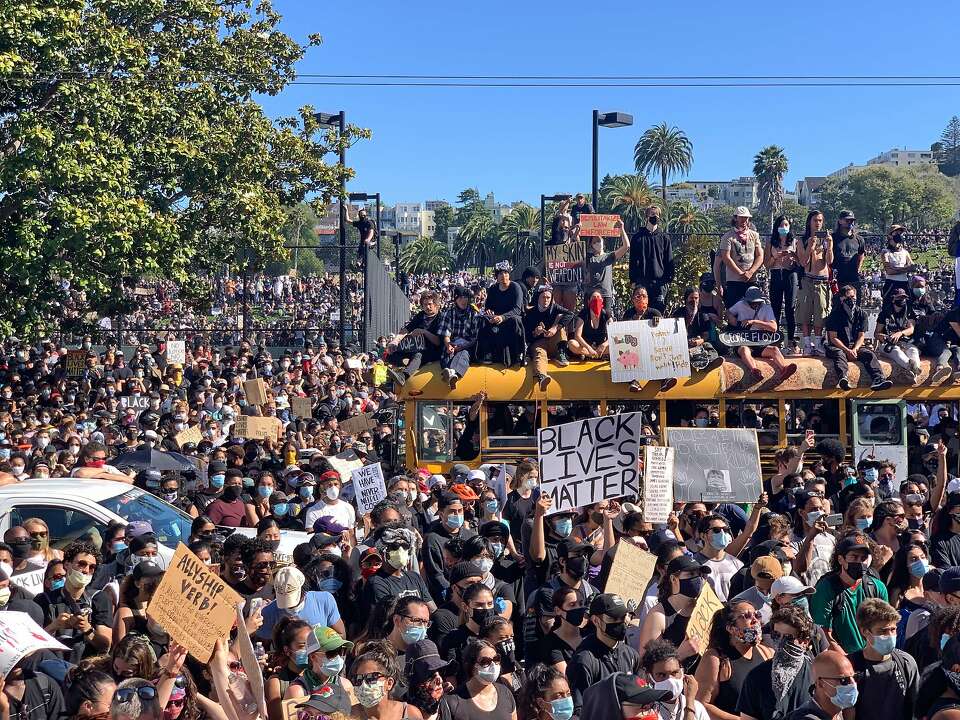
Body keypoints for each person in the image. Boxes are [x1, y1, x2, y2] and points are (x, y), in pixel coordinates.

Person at [809, 533, 889, 653]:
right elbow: (823, 633)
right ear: (840, 559)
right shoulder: (826, 588)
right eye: (854, 557)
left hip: (873, 654)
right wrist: (846, 660)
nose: (860, 562)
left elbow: (886, 626)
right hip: (840, 657)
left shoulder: (877, 587)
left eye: (863, 558)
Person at [693, 600, 772, 720]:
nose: (755, 620)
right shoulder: (715, 659)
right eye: (747, 616)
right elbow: (700, 704)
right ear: (731, 628)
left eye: (757, 615)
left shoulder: (766, 652)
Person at [566, 593, 642, 715]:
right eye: (614, 619)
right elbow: (580, 710)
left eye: (623, 617)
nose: (620, 622)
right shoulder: (584, 661)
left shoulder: (631, 655)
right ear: (596, 620)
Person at [736, 605, 814, 720]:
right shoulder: (757, 676)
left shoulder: (816, 674)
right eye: (776, 635)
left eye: (788, 637)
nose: (781, 642)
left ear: (805, 641)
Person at [848, 598, 919, 720]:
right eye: (882, 631)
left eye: (893, 629)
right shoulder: (850, 666)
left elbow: (916, 707)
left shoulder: (906, 663)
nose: (890, 635)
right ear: (865, 632)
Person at [824, 284, 894, 391]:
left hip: (854, 346)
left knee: (869, 354)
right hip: (838, 346)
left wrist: (855, 349)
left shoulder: (862, 314)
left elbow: (861, 336)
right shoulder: (834, 314)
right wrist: (847, 350)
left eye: (853, 297)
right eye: (848, 297)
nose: (852, 300)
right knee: (839, 354)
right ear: (842, 299)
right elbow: (833, 338)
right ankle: (843, 378)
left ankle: (878, 379)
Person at [725, 286, 798, 385]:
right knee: (744, 350)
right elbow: (728, 313)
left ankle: (784, 368)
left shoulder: (766, 308)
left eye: (757, 302)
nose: (754, 304)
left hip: (759, 342)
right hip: (743, 341)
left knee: (774, 350)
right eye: (752, 303)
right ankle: (754, 370)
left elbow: (773, 327)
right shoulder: (740, 305)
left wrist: (754, 322)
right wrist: (733, 320)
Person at [258, 566, 344, 642]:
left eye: (291, 598)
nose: (290, 606)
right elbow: (262, 646)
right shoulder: (268, 612)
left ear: (303, 590)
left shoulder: (324, 600)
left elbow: (341, 635)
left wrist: (319, 643)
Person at [348, 641, 424, 719]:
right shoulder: (349, 716)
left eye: (371, 678)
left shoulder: (410, 713)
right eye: (358, 679)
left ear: (389, 683)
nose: (363, 684)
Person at [423, 491, 476, 603]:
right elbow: (435, 575)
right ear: (441, 514)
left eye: (460, 511)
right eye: (452, 511)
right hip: (445, 598)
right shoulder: (432, 539)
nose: (457, 515)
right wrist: (455, 592)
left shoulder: (470, 536)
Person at [445, 638, 516, 720]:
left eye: (496, 659)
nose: (493, 665)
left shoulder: (505, 693)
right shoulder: (454, 701)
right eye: (485, 661)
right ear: (471, 665)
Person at [794, 210, 834, 357]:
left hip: (822, 281)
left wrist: (829, 246)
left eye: (820, 220)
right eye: (815, 220)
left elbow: (830, 261)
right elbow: (803, 262)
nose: (818, 223)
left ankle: (817, 343)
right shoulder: (802, 240)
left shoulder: (826, 239)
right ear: (809, 222)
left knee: (820, 313)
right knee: (805, 312)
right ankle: (806, 344)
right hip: (807, 279)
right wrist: (810, 246)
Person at [641, 638, 709, 720]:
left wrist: (690, 702)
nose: (670, 680)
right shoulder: (645, 710)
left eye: (674, 673)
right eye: (662, 675)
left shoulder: (697, 708)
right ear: (650, 678)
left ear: (682, 672)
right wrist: (689, 707)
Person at [387, 291, 443, 386]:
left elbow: (438, 342)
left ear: (436, 305)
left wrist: (424, 332)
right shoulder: (420, 316)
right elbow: (407, 329)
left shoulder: (441, 318)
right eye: (425, 304)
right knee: (391, 354)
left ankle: (404, 376)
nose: (427, 307)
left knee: (418, 355)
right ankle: (407, 364)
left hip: (433, 351)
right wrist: (395, 341)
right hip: (416, 347)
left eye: (430, 304)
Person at [783, 650, 858, 720]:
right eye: (844, 680)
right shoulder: (805, 718)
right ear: (821, 683)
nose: (853, 683)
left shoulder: (837, 713)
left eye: (855, 677)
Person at [478, 262, 526, 368]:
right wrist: (489, 313)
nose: (503, 276)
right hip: (495, 317)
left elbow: (517, 309)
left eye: (505, 273)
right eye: (500, 273)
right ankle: (487, 354)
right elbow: (488, 307)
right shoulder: (493, 289)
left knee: (515, 321)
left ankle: (517, 354)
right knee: (482, 320)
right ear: (497, 276)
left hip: (510, 317)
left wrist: (502, 317)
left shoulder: (515, 287)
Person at [523, 285, 571, 391]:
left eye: (548, 297)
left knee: (561, 330)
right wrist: (535, 333)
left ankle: (561, 353)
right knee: (540, 354)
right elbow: (527, 336)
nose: (546, 300)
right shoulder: (530, 313)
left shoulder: (555, 308)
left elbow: (570, 314)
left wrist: (555, 327)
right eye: (543, 297)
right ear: (538, 298)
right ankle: (542, 377)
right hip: (539, 343)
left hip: (553, 342)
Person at [764, 215, 799, 354]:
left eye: (786, 225)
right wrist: (775, 257)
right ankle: (776, 340)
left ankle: (791, 341)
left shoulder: (794, 241)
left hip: (790, 275)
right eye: (781, 225)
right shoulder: (770, 242)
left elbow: (800, 262)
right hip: (776, 274)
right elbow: (766, 264)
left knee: (790, 308)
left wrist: (792, 255)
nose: (783, 228)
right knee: (775, 308)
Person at [716, 206, 762, 308]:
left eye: (746, 218)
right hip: (734, 281)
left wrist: (750, 272)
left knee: (752, 310)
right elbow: (726, 257)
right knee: (734, 309)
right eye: (741, 217)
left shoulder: (754, 235)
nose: (744, 220)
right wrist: (740, 274)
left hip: (751, 280)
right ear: (735, 218)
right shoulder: (727, 237)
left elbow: (760, 255)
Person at [629, 207, 674, 312]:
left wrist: (668, 280)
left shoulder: (664, 238)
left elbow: (669, 260)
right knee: (642, 312)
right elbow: (633, 261)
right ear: (647, 217)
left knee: (658, 314)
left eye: (657, 215)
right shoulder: (637, 238)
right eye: (652, 214)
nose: (655, 217)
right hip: (642, 282)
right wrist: (633, 280)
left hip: (660, 284)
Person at [438, 286, 483, 389]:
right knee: (447, 354)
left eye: (465, 297)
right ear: (455, 299)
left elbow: (475, 337)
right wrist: (448, 345)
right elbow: (446, 334)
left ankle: (453, 372)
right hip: (453, 343)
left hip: (468, 345)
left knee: (463, 354)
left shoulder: (474, 313)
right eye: (460, 298)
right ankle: (450, 374)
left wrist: (462, 347)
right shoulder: (449, 312)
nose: (463, 300)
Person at [670, 287, 723, 373]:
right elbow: (672, 331)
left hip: (697, 343)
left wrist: (699, 341)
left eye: (696, 298)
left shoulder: (703, 315)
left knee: (709, 347)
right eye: (691, 298)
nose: (694, 301)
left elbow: (706, 335)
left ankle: (710, 364)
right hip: (681, 342)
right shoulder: (678, 313)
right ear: (686, 299)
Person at [875, 287, 922, 384]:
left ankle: (913, 373)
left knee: (913, 350)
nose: (902, 300)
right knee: (896, 351)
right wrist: (884, 336)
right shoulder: (885, 313)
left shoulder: (909, 311)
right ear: (893, 299)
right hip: (888, 344)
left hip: (905, 342)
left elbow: (911, 329)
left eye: (904, 298)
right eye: (899, 298)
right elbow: (876, 333)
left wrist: (900, 333)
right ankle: (913, 369)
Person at [581, 220, 630, 311]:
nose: (597, 243)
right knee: (589, 317)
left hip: (605, 294)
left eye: (599, 240)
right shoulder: (588, 257)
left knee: (606, 318)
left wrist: (622, 229)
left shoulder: (609, 256)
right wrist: (577, 231)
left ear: (603, 241)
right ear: (591, 245)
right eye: (594, 242)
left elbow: (626, 246)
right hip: (590, 293)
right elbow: (577, 247)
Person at [405, 639, 455, 720]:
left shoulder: (451, 706)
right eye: (429, 675)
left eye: (440, 672)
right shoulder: (399, 713)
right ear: (414, 680)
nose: (439, 680)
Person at [831, 210, 865, 302]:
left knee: (855, 304)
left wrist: (858, 269)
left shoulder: (859, 239)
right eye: (847, 220)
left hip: (853, 278)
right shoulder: (832, 238)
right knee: (837, 305)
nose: (850, 222)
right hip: (837, 278)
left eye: (852, 220)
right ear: (840, 221)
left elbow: (861, 254)